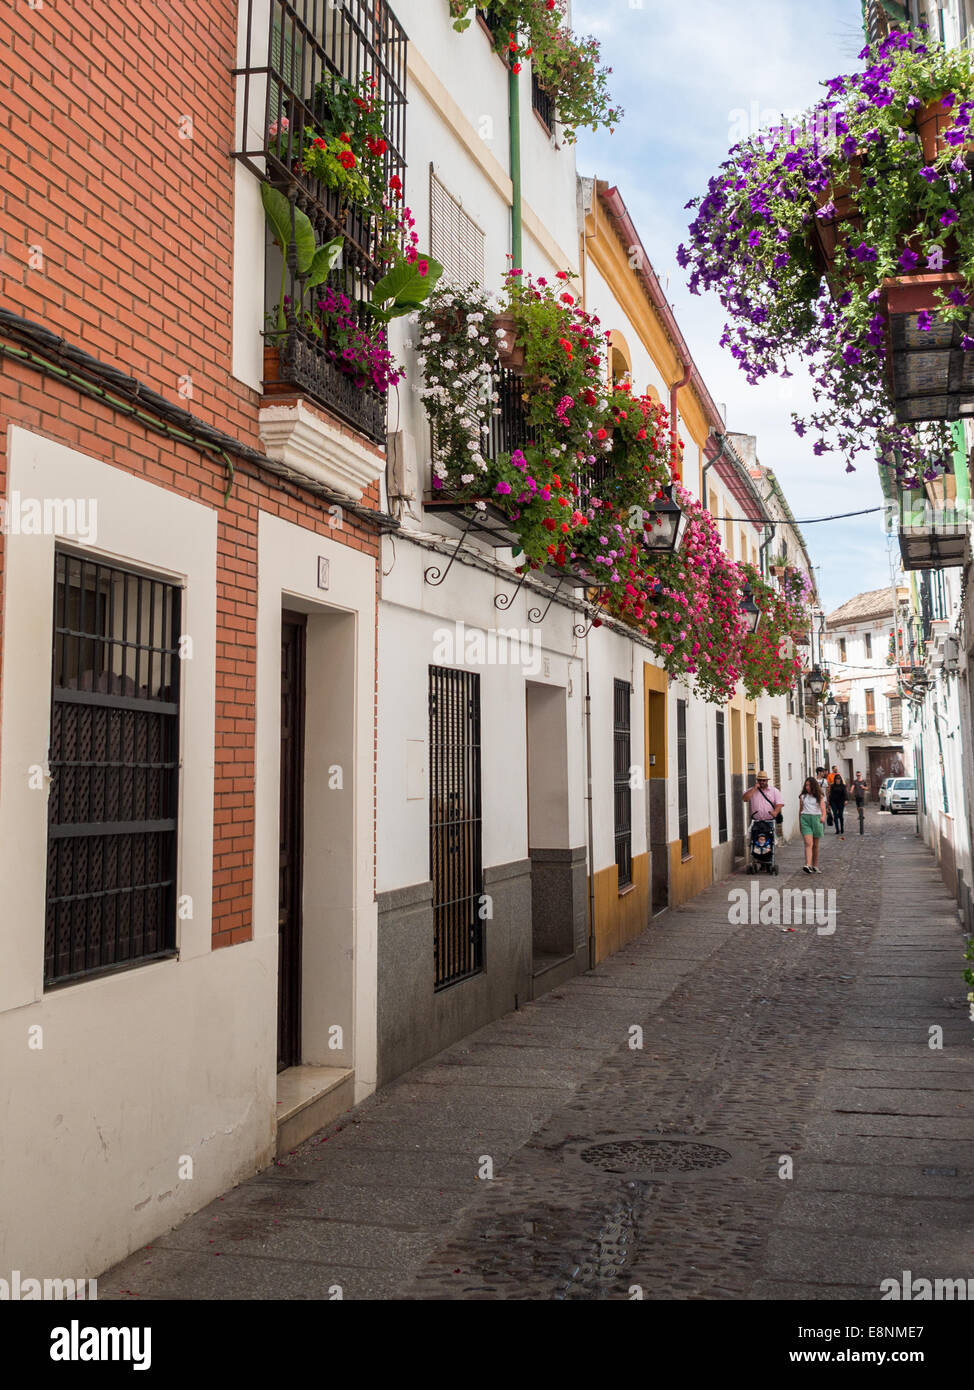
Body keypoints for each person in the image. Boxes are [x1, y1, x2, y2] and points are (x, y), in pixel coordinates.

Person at [799, 775, 827, 873]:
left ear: (813, 786)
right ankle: (808, 865)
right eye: (806, 785)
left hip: (816, 819)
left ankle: (815, 865)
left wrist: (823, 817)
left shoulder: (819, 796)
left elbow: (823, 809)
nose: (807, 787)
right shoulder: (803, 796)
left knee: (815, 845)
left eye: (809, 785)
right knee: (808, 843)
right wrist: (800, 823)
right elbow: (800, 810)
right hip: (805, 819)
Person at [829, 771, 848, 837]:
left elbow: (845, 793)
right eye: (837, 779)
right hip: (833, 802)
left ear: (840, 779)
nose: (838, 780)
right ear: (835, 780)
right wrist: (829, 802)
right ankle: (837, 829)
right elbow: (830, 794)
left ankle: (842, 828)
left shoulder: (843, 786)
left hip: (841, 802)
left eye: (839, 779)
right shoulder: (832, 786)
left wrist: (846, 800)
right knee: (835, 815)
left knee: (841, 815)